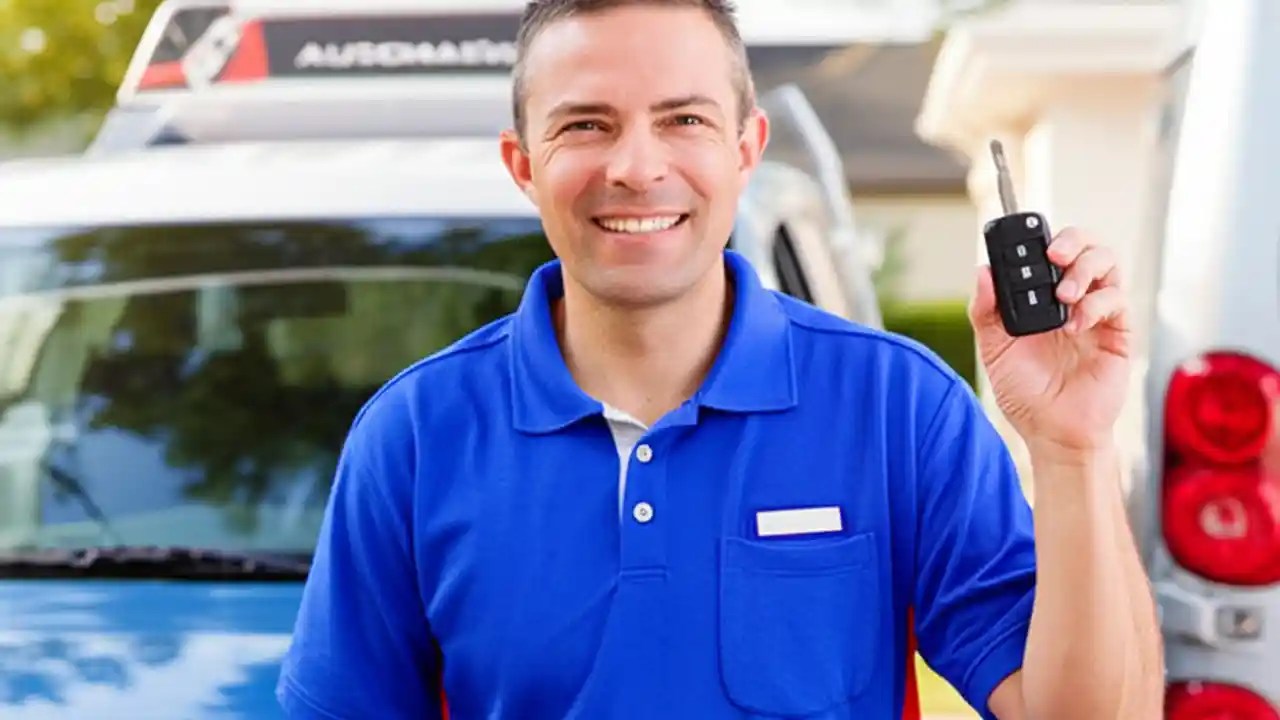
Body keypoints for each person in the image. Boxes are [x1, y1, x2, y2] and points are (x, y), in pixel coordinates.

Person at [276, 1, 1164, 718]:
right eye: (586, 124)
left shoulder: (897, 406)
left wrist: (1072, 448)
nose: (635, 165)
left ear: (746, 149)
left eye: (683, 119)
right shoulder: (414, 436)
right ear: (523, 163)